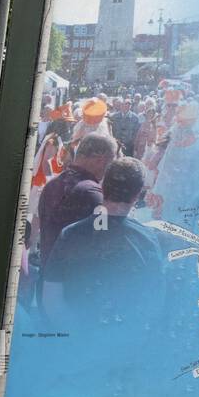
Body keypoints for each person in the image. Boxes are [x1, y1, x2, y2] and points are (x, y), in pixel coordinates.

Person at [44, 157, 168, 324]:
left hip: (75, 340)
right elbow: (154, 304)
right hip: (123, 340)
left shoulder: (70, 234)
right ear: (137, 196)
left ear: (102, 186)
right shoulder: (147, 239)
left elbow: (51, 300)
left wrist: (77, 336)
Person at [37, 133, 116, 263]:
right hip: (73, 279)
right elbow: (103, 242)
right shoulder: (93, 194)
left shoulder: (52, 184)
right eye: (110, 163)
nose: (108, 170)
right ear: (100, 160)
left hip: (47, 272)